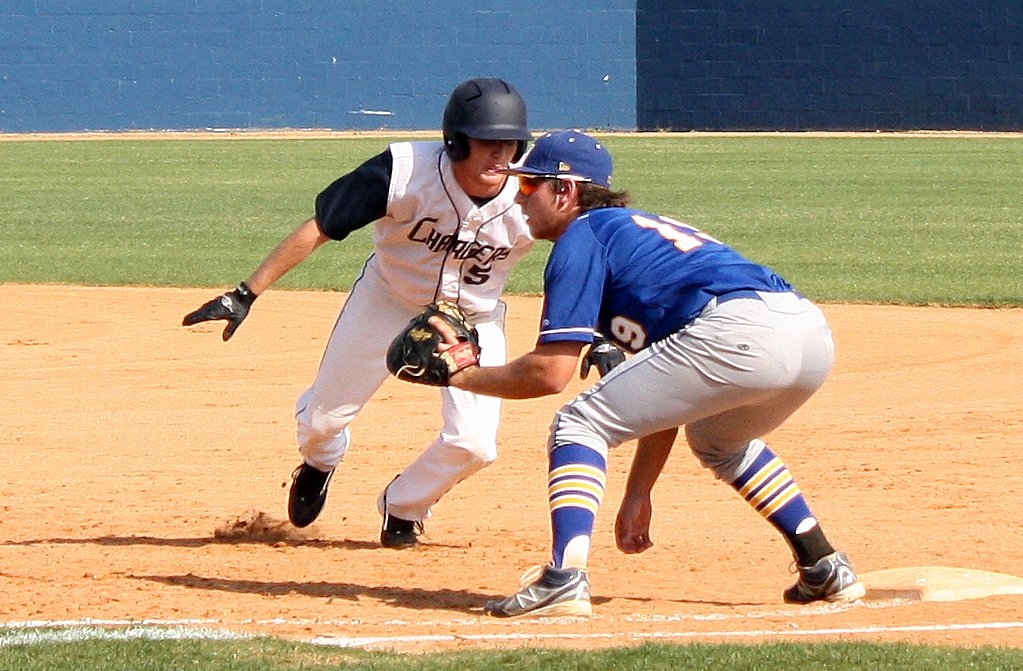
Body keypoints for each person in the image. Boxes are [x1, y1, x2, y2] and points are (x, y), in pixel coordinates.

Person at [424, 130, 866, 616]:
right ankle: (822, 564)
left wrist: (461, 376)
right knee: (720, 443)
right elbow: (666, 393)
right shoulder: (630, 233)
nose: (519, 199)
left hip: (739, 332)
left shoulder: (583, 237)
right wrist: (639, 493)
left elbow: (550, 374)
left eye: (530, 186)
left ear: (565, 191)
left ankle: (564, 577)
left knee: (578, 424)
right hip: (807, 332)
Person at [182, 78, 534, 548]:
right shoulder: (405, 170)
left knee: (475, 444)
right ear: (455, 142)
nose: (500, 155)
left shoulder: (535, 190)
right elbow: (322, 227)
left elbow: (591, 250)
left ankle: (404, 506)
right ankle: (321, 461)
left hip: (474, 321)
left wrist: (604, 332)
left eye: (509, 143)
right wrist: (246, 293)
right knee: (321, 423)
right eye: (487, 143)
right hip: (388, 301)